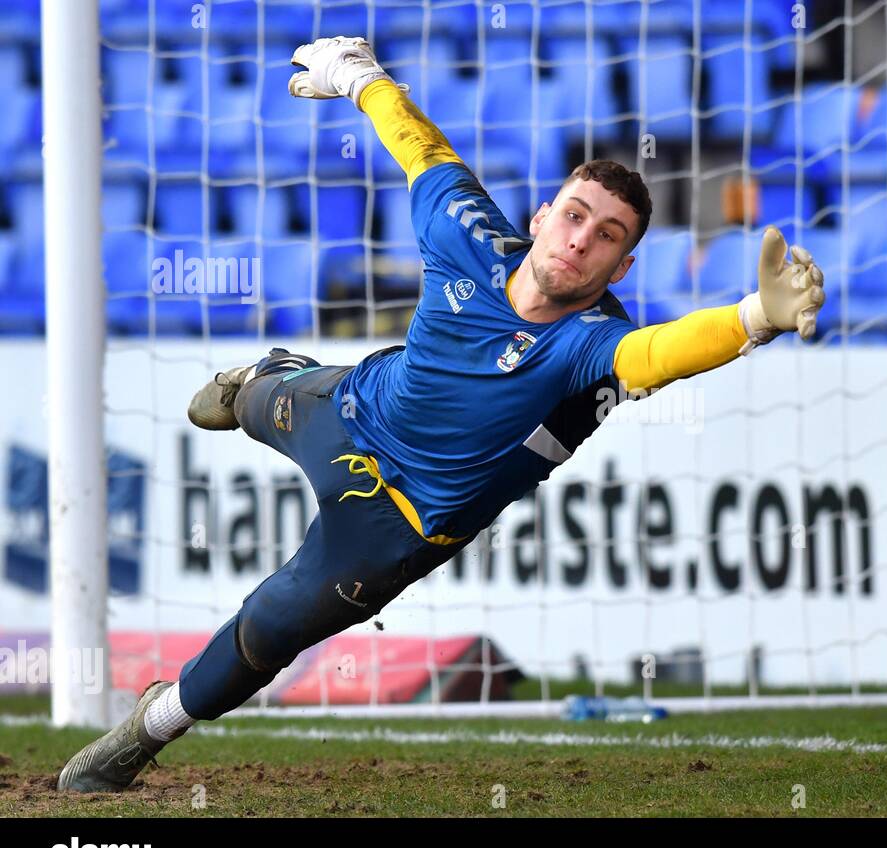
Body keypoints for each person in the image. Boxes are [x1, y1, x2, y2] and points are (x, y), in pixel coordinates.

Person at [58, 36, 825, 792]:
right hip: (349, 407)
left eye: (607, 236)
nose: (581, 239)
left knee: (267, 630)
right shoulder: (464, 233)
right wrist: (357, 73)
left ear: (620, 268)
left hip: (394, 523)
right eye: (576, 215)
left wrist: (755, 315)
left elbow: (662, 352)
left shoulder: (589, 346)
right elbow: (418, 146)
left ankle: (147, 729)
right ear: (542, 213)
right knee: (250, 402)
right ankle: (265, 376)